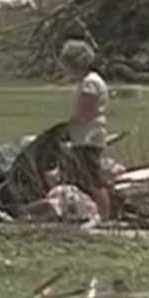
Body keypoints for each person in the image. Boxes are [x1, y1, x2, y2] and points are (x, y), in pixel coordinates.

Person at [58, 39, 113, 219]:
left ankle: (105, 216)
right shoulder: (86, 82)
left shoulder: (90, 84)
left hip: (88, 136)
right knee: (82, 177)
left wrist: (66, 128)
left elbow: (84, 112)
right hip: (83, 135)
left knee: (93, 179)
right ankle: (88, 212)